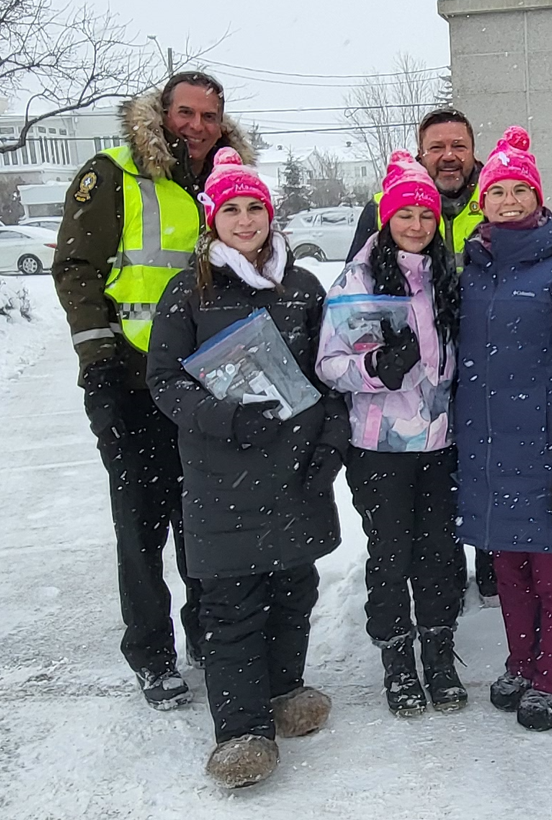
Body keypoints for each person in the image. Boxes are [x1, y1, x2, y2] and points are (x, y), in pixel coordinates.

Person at [147, 148, 348, 788]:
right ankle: (241, 730)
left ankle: (285, 691)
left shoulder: (306, 287)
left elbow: (334, 374)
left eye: (253, 207)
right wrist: (227, 419)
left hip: (296, 472)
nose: (243, 219)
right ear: (212, 219)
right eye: (230, 209)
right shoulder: (189, 290)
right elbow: (164, 382)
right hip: (221, 474)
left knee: (294, 589)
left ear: (271, 214)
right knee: (232, 601)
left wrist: (330, 449)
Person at [52, 72, 251, 709]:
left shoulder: (224, 184)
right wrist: (97, 359)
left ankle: (205, 633)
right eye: (186, 113)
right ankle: (151, 651)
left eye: (210, 116)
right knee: (141, 525)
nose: (197, 126)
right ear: (161, 114)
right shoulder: (114, 174)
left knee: (204, 521)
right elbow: (76, 269)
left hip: (204, 383)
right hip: (131, 380)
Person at [455, 127, 552, 731]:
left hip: (550, 454)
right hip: (489, 454)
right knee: (510, 574)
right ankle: (524, 663)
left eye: (523, 189)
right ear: (482, 201)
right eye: (499, 190)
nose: (511, 200)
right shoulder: (469, 272)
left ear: (540, 198)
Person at [318, 151, 467, 717]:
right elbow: (328, 364)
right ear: (386, 217)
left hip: (441, 445)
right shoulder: (356, 281)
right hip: (380, 448)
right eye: (405, 214)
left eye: (426, 216)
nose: (416, 226)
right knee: (390, 555)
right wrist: (375, 368)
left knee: (438, 553)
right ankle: (397, 661)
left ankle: (440, 653)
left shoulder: (445, 278)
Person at [347, 108, 497, 607]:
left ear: (474, 152)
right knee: (438, 486)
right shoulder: (387, 204)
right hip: (414, 378)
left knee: (484, 468)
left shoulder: (498, 194)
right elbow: (359, 291)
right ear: (420, 152)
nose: (448, 156)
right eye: (437, 146)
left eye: (458, 145)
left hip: (483, 362)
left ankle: (494, 571)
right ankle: (446, 582)